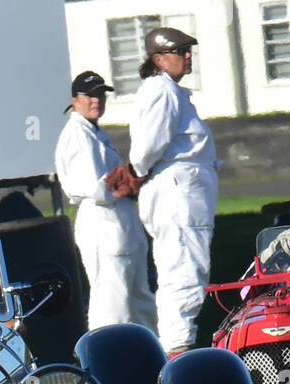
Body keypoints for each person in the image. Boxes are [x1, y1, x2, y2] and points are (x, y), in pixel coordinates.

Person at [105, 26, 217, 356]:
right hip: (178, 195)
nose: (187, 56)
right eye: (179, 51)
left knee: (182, 270)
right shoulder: (162, 91)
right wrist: (136, 172)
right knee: (183, 273)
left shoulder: (168, 91)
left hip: (182, 192)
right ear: (158, 59)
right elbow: (148, 145)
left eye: (188, 50)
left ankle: (176, 348)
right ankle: (177, 353)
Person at [53, 70, 157, 332]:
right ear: (75, 100)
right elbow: (95, 187)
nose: (96, 100)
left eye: (100, 94)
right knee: (113, 305)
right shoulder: (77, 134)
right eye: (89, 95)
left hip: (122, 223)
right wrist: (125, 183)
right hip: (101, 223)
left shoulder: (95, 132)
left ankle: (153, 357)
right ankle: (109, 363)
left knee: (139, 300)